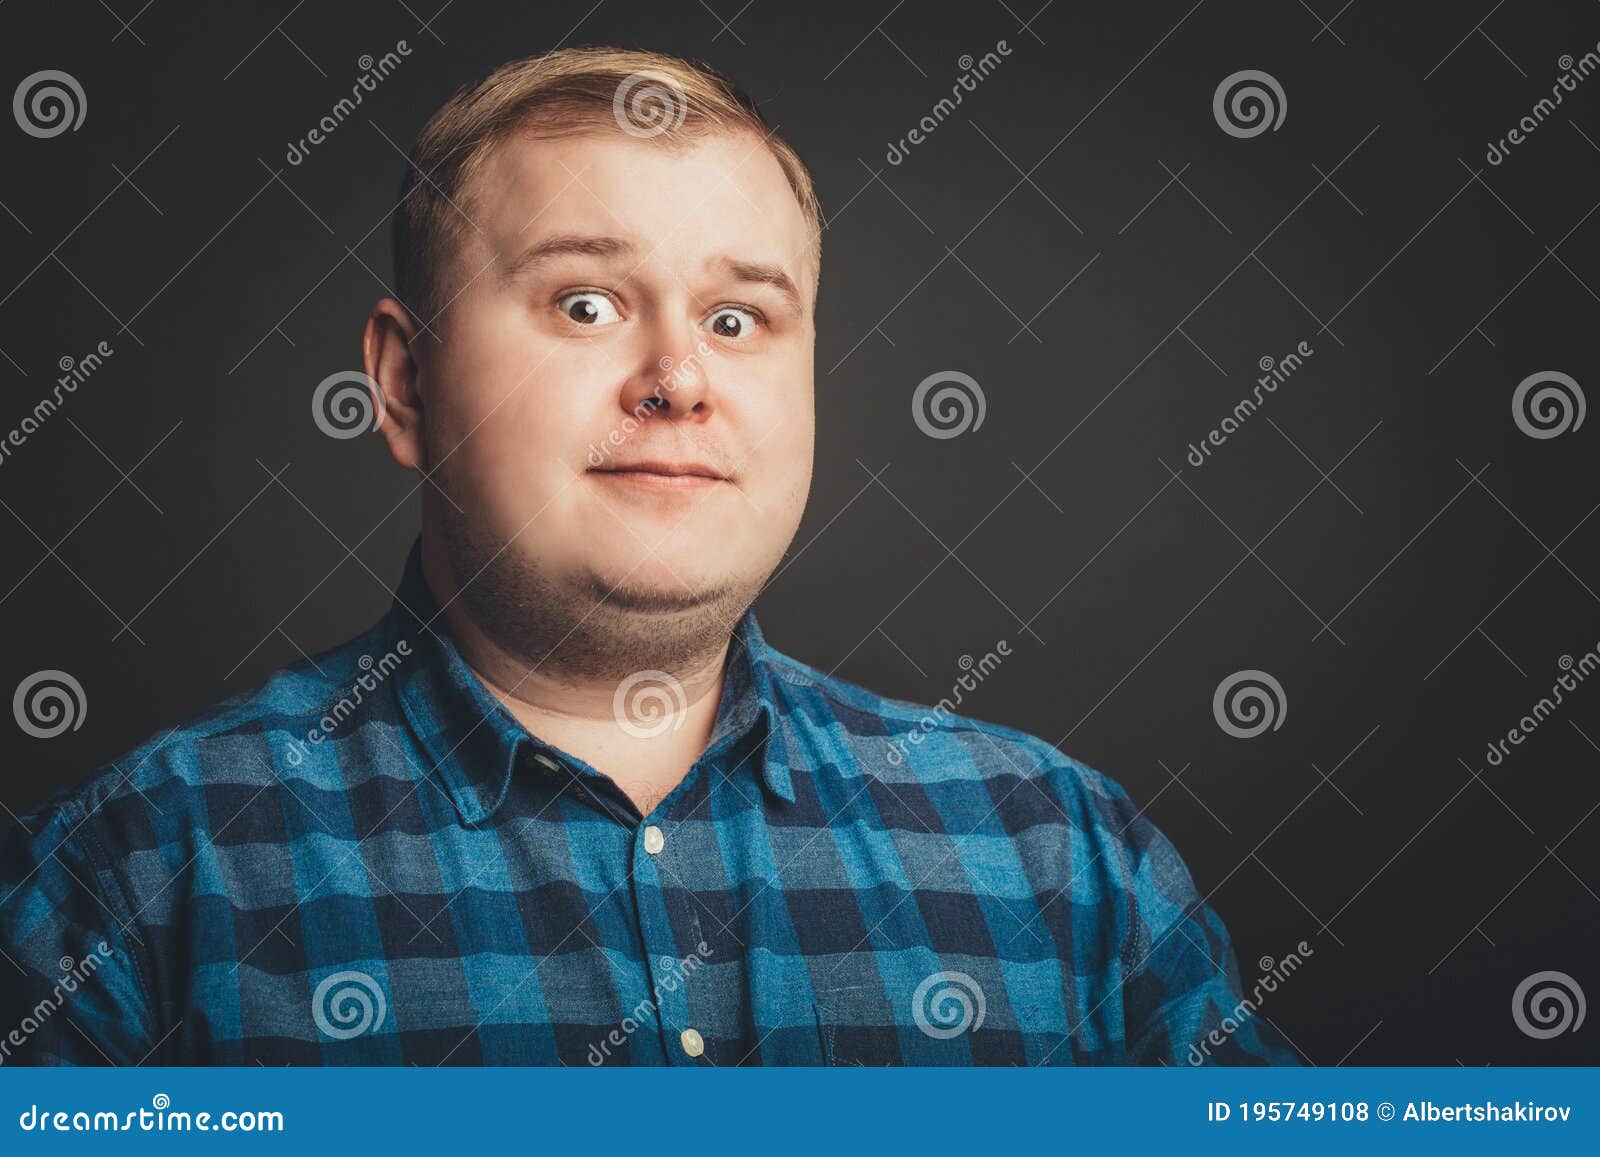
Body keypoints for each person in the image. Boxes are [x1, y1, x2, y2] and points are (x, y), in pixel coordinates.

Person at [0, 47, 1294, 1066]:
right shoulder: (151, 873)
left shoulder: (1055, 852)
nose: (679, 378)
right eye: (585, 303)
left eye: (739, 317)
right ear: (403, 384)